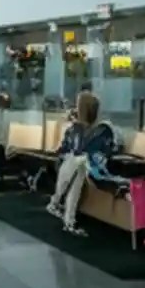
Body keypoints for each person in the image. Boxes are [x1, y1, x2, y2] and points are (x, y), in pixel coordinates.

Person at [47, 92, 117, 236]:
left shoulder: (101, 129)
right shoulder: (77, 128)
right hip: (80, 165)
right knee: (77, 167)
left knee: (77, 164)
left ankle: (56, 203)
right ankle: (67, 217)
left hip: (94, 167)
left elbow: (101, 151)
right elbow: (67, 148)